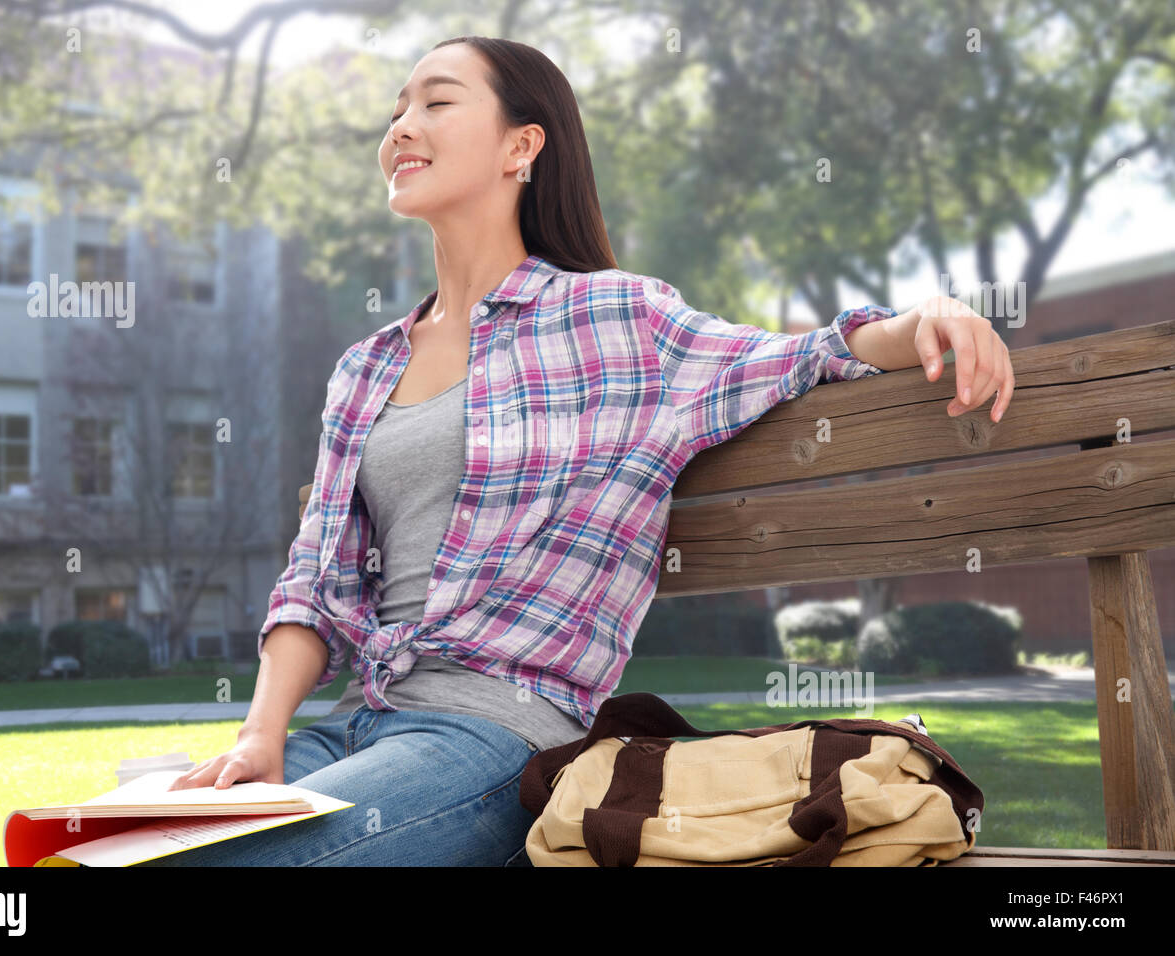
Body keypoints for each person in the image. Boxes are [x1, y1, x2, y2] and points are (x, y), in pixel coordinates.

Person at [142, 35, 1014, 867]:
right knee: (124, 844)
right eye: (395, 109)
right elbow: (315, 583)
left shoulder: (619, 323)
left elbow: (803, 355)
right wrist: (260, 738)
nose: (399, 127)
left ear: (523, 145)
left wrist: (928, 319)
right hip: (353, 724)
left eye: (435, 102)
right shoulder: (364, 369)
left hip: (496, 738)